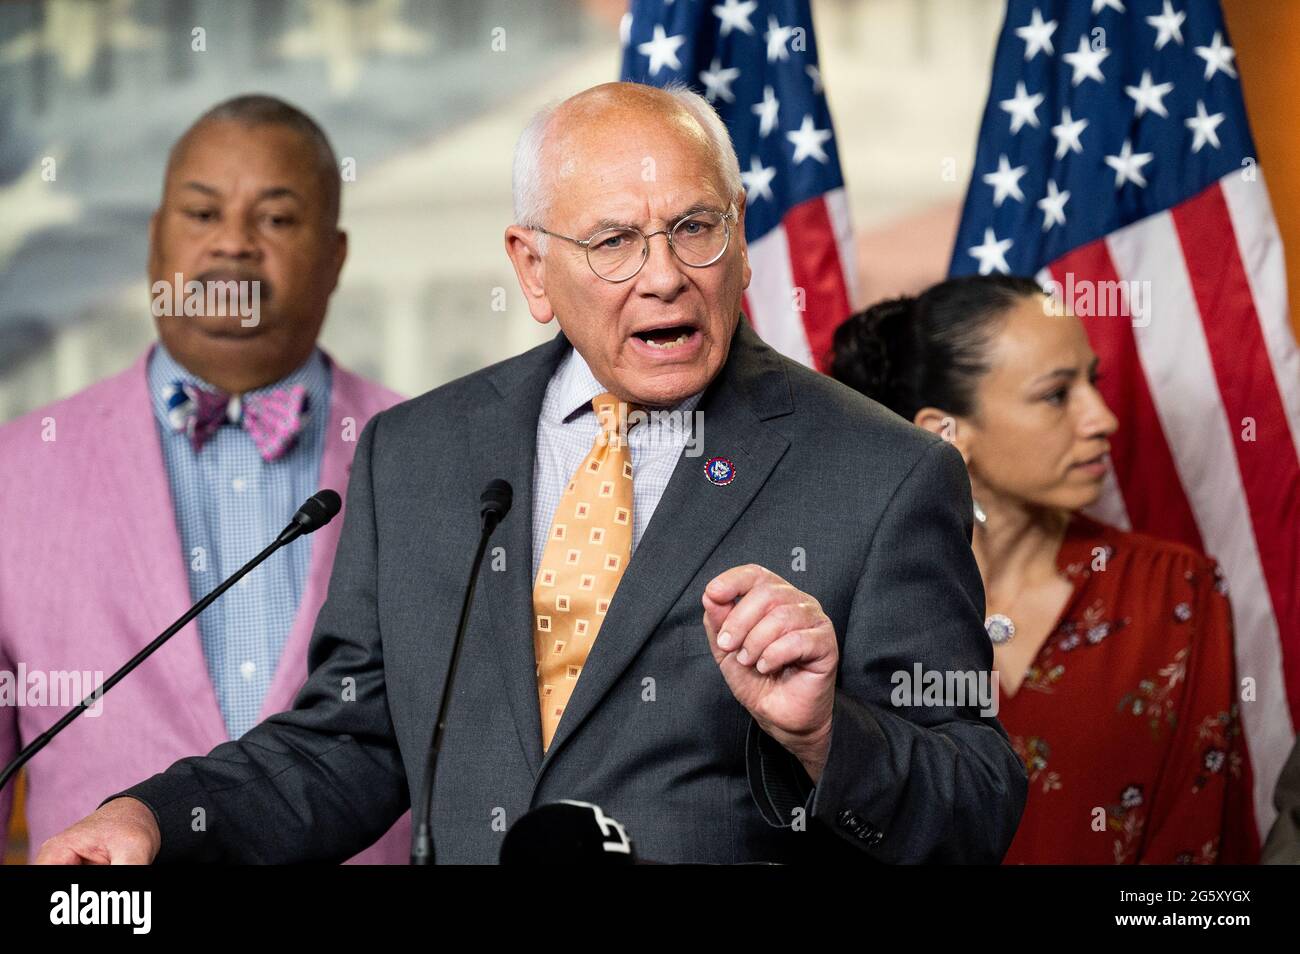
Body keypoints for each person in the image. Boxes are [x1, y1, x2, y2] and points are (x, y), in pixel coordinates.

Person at [35, 82, 1025, 865]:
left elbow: (975, 804)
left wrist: (823, 736)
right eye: (610, 241)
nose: (663, 275)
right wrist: (158, 821)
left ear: (738, 237)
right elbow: (347, 744)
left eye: (695, 227)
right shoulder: (419, 454)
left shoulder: (883, 472)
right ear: (529, 267)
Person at [0, 95, 409, 863]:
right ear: (155, 244)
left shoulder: (440, 461)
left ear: (335, 256)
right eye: (201, 214)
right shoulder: (10, 476)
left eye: (277, 219)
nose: (234, 246)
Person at [830, 274, 1259, 864]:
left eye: (1094, 383)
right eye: (1058, 394)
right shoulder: (850, 601)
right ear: (945, 433)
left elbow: (1202, 838)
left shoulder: (1173, 592)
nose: (1102, 418)